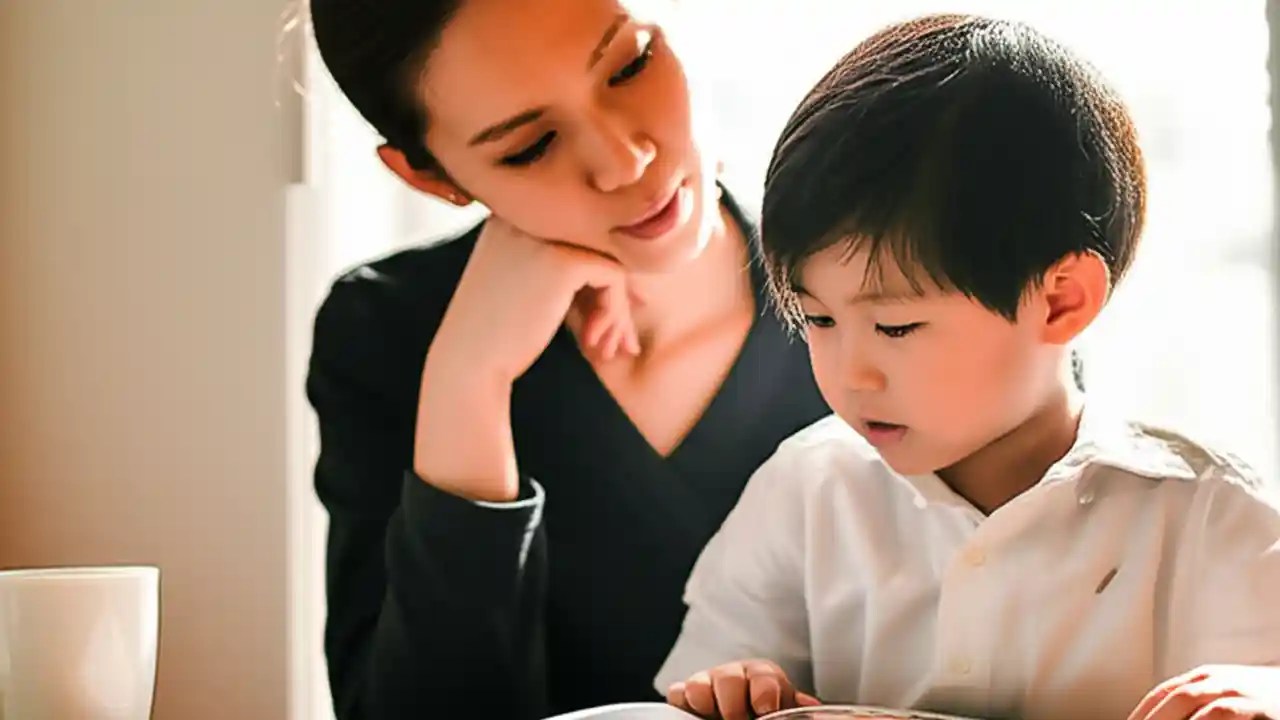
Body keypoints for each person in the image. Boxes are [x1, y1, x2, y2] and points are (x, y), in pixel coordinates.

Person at [654, 14, 1280, 720]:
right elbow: (699, 683)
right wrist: (731, 684)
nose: (848, 374)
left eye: (895, 325)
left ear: (1060, 301)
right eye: (818, 320)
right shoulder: (804, 494)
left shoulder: (1210, 517)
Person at [302, 0, 829, 717]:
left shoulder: (877, 288)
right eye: (530, 146)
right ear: (432, 179)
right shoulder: (385, 332)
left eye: (632, 65)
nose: (626, 161)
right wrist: (470, 380)